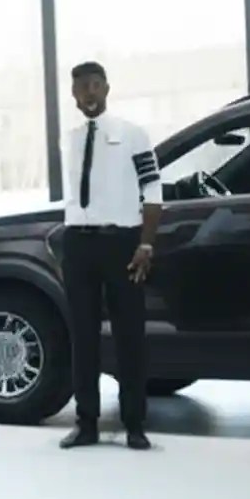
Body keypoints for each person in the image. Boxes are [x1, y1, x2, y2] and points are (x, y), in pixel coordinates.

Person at [58, 61, 162, 451]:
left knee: (129, 335)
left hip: (122, 244)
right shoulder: (68, 138)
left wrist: (146, 244)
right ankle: (86, 423)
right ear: (73, 94)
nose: (88, 93)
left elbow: (153, 190)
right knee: (82, 336)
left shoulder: (132, 135)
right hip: (79, 245)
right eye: (81, 86)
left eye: (95, 85)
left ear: (106, 89)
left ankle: (135, 423)